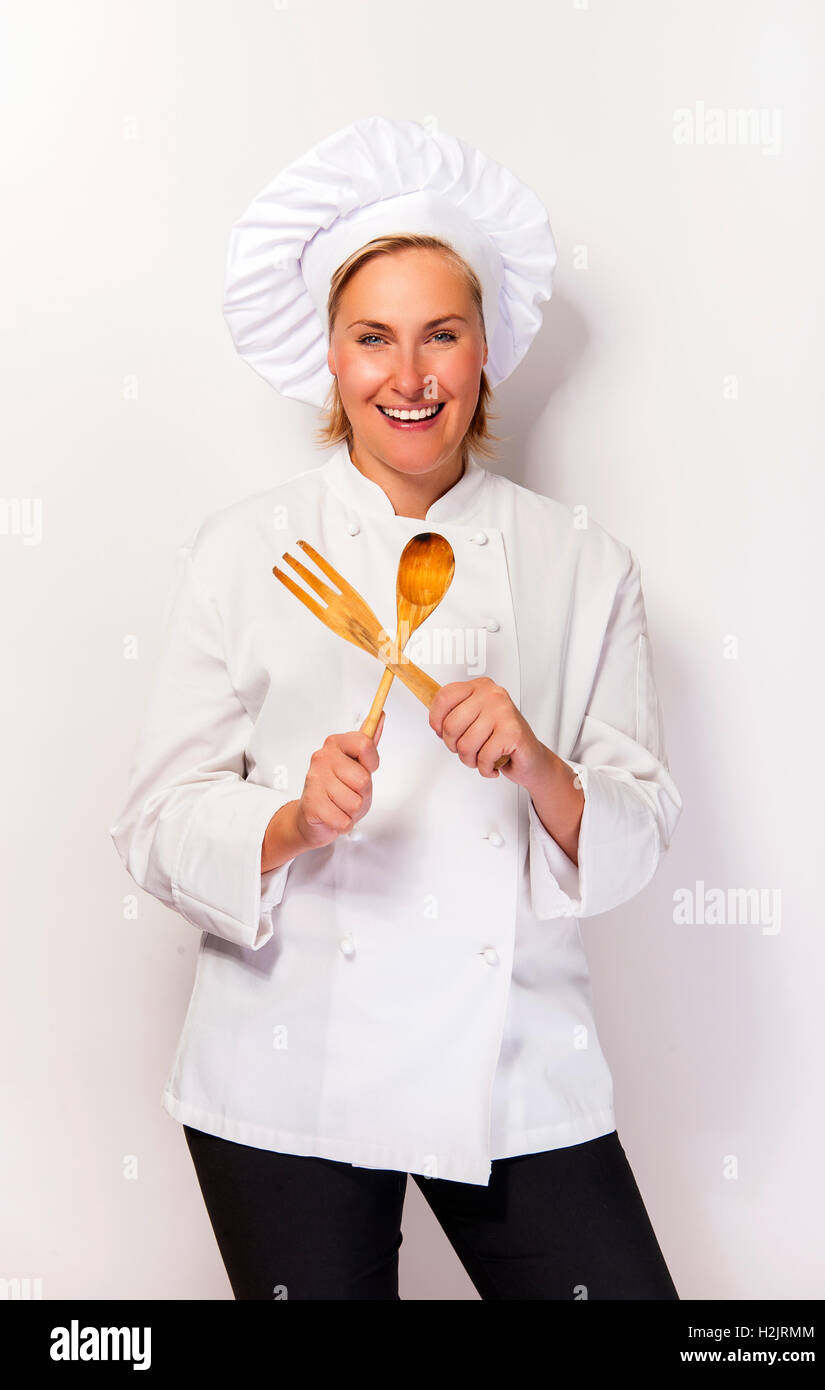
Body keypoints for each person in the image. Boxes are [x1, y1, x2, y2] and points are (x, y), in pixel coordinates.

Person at [109, 116, 683, 1300]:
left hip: (514, 1062)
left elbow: (637, 837)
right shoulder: (244, 550)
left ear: (487, 351)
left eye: (440, 335)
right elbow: (156, 820)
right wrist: (287, 822)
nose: (408, 376)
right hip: (286, 1071)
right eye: (373, 338)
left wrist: (537, 766)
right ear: (330, 353)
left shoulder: (583, 561)